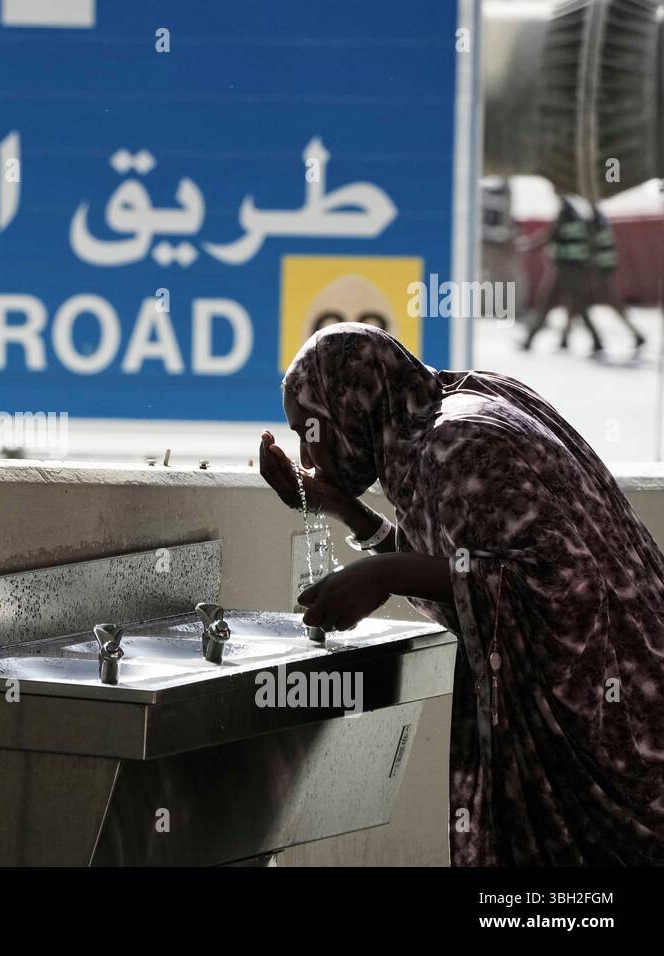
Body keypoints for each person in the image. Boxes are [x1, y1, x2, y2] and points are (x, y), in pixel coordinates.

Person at [259, 322, 664, 865]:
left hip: (620, 724)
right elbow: (469, 566)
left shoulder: (458, 443)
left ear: (349, 406)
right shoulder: (455, 406)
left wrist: (386, 576)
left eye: (308, 428)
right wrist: (343, 509)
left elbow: (563, 588)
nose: (306, 454)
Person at [520, 195, 603, 354]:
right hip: (575, 268)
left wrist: (528, 246)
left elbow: (549, 237)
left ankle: (529, 340)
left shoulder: (564, 217)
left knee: (554, 304)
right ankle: (530, 340)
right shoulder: (580, 219)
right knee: (569, 305)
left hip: (565, 269)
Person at [568, 205, 645, 352]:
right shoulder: (597, 218)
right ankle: (566, 337)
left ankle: (636, 334)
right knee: (578, 302)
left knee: (607, 301)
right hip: (601, 269)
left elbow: (594, 247)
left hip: (600, 271)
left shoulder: (593, 222)